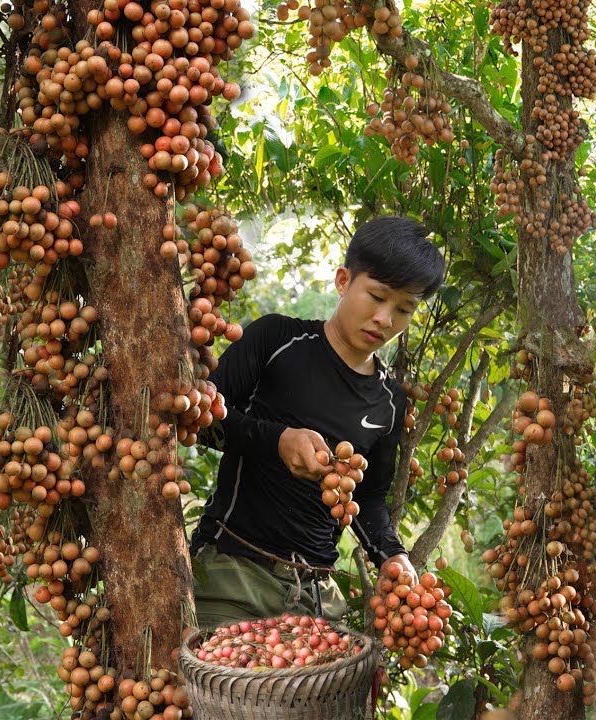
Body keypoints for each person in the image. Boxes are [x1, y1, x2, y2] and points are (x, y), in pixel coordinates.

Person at [189, 216, 445, 628]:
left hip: (317, 596)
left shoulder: (389, 401)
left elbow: (370, 498)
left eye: (404, 309)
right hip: (232, 573)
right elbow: (200, 418)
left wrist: (391, 555)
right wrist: (276, 440)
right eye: (376, 296)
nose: (385, 319)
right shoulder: (277, 340)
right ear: (344, 281)